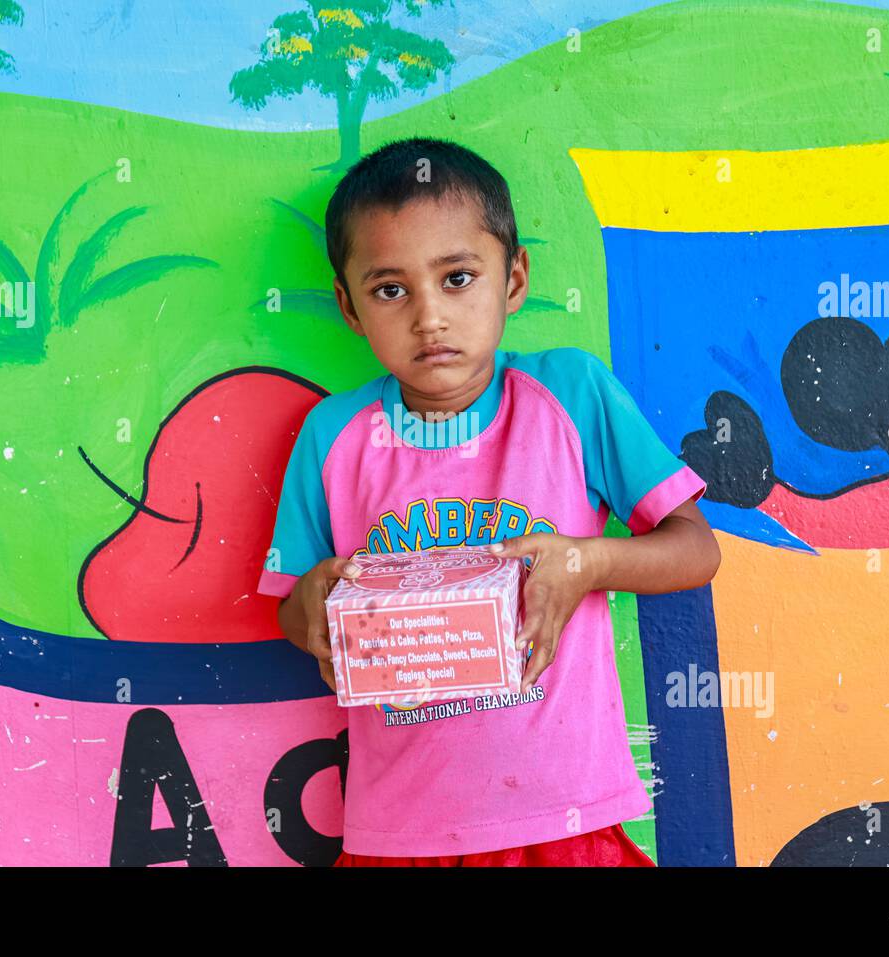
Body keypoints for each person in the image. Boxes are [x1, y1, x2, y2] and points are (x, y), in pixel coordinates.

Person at [255, 136, 720, 866]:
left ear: (514, 279)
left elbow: (696, 548)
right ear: (349, 307)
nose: (429, 317)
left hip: (566, 820)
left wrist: (586, 561)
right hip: (400, 834)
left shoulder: (569, 393)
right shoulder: (333, 436)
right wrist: (312, 605)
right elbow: (290, 606)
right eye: (390, 290)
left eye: (458, 278)